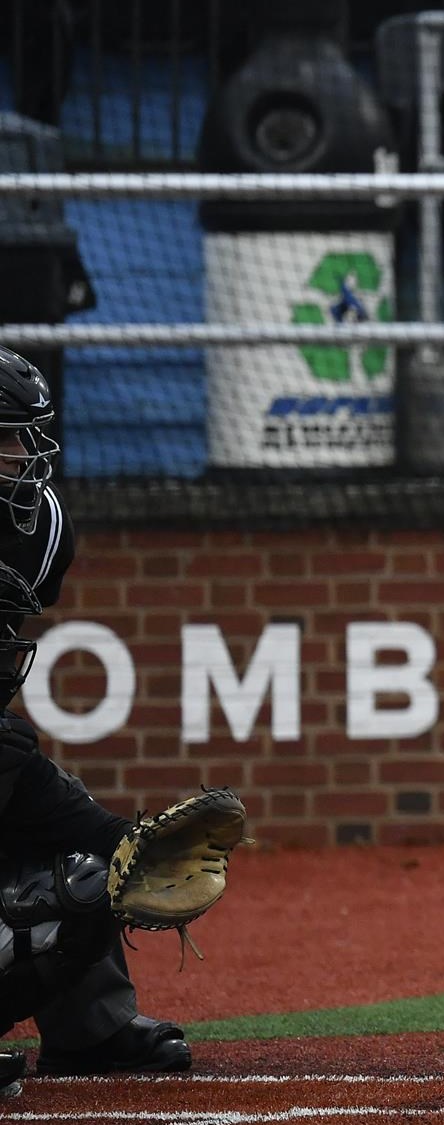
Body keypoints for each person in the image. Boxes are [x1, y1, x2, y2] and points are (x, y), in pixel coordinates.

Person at [0, 346, 191, 1086]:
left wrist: (122, 842)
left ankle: (93, 1028)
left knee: (80, 864)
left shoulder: (38, 528)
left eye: (25, 434)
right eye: (4, 436)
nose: (23, 455)